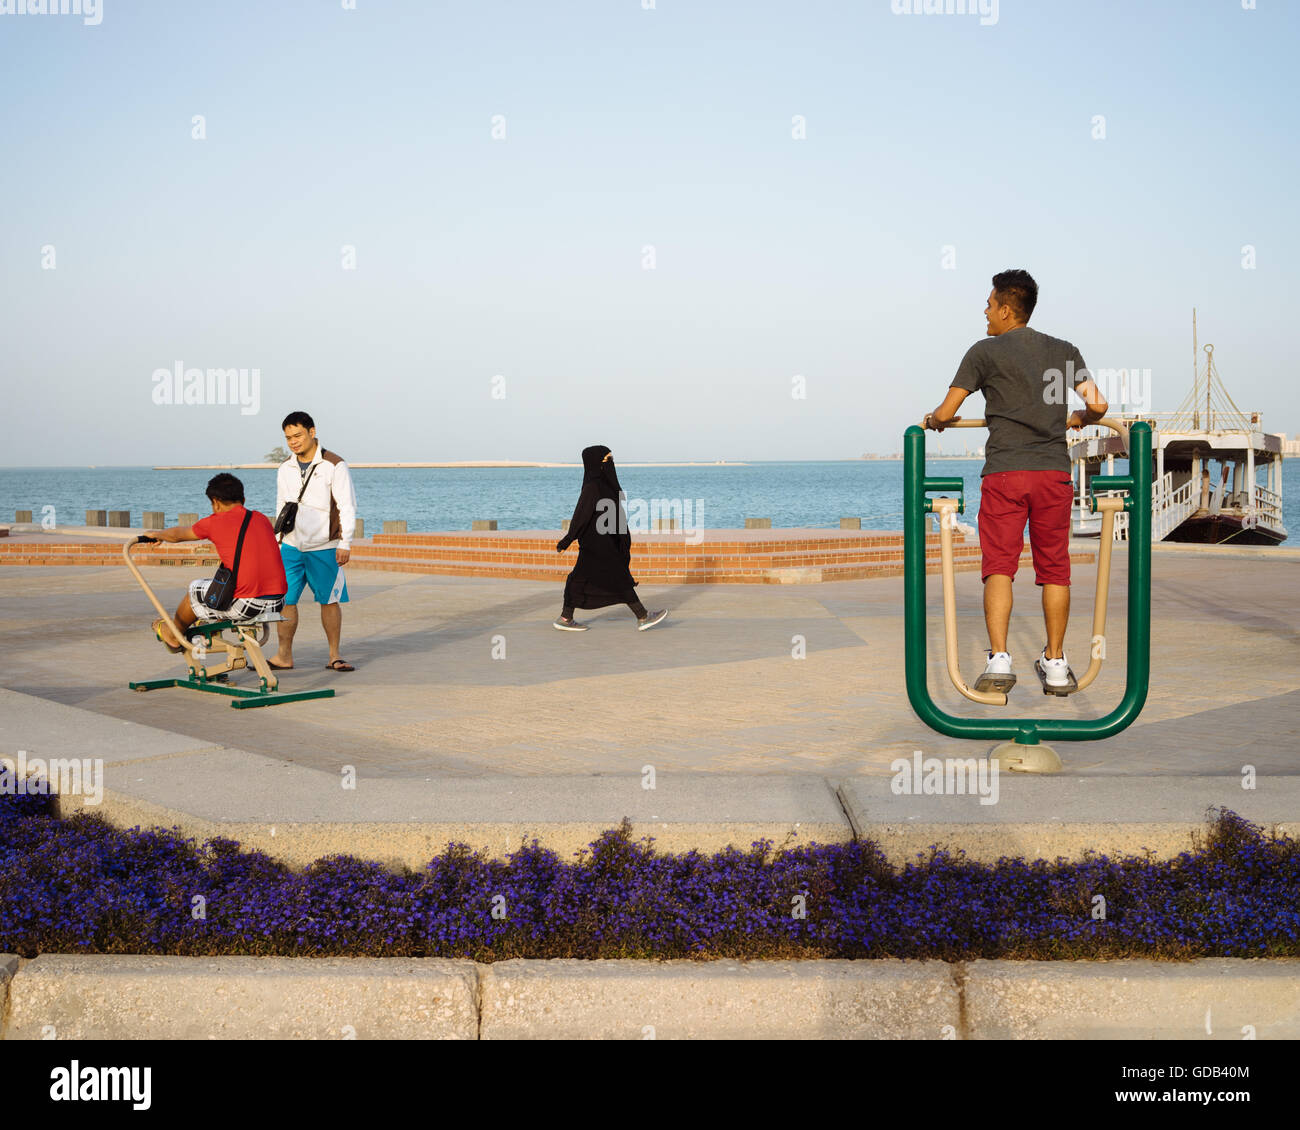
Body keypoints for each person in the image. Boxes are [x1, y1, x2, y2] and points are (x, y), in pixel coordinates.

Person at [923, 269, 1108, 693]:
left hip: (1006, 473)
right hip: (1053, 474)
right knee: (1055, 569)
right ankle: (1057, 662)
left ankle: (1000, 660)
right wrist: (1081, 417)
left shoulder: (984, 352)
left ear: (1007, 309)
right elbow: (1098, 403)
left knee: (1000, 568)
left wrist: (934, 421)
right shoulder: (1064, 350)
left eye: (989, 305)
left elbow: (949, 411)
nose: (985, 312)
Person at [138, 473, 286, 649]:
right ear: (243, 499)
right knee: (218, 585)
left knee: (195, 588)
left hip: (248, 604)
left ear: (215, 502)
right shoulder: (260, 518)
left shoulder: (215, 522)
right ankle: (210, 624)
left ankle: (174, 633)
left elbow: (179, 535)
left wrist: (156, 535)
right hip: (277, 602)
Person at [268, 411, 358, 671]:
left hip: (325, 546)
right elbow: (281, 505)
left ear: (312, 432)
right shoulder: (285, 467)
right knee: (286, 600)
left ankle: (334, 655)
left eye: (297, 435)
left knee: (329, 600)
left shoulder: (334, 465)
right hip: (292, 545)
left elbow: (347, 506)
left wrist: (345, 542)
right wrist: (277, 541)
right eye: (288, 438)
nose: (293, 442)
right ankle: (283, 655)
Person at [554, 445, 667, 632]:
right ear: (596, 463)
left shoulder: (605, 484)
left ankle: (566, 617)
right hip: (596, 543)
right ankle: (643, 616)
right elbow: (581, 515)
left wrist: (621, 537)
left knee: (579, 578)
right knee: (617, 576)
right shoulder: (593, 487)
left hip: (605, 540)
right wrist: (567, 540)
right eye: (607, 460)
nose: (611, 464)